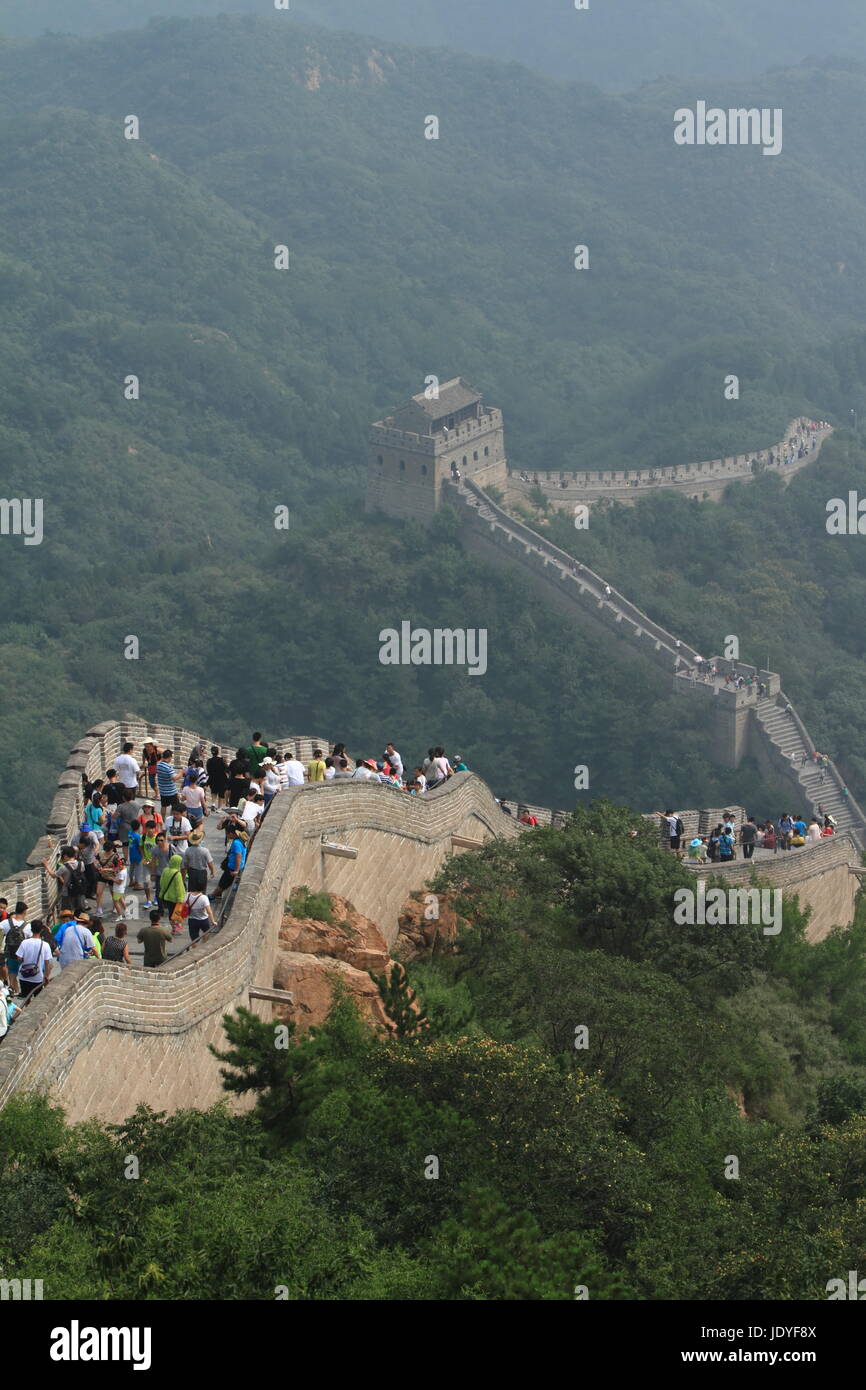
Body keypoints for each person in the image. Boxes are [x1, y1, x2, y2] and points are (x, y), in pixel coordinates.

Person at [16, 921, 53, 1000]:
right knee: (38, 999)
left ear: (31, 929)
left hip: (24, 975)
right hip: (37, 977)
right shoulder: (45, 945)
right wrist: (46, 976)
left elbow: (19, 957)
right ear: (41, 930)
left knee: (25, 998)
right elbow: (47, 964)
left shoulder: (24, 942)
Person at [3, 903, 31, 997]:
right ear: (24, 912)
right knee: (23, 972)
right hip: (22, 954)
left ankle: (11, 989)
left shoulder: (7, 923)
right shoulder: (27, 926)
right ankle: (24, 992)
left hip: (10, 952)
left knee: (12, 971)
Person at [158, 854, 186, 931]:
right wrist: (181, 898)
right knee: (177, 914)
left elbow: (161, 883)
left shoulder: (165, 870)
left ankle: (173, 928)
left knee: (171, 913)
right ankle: (177, 927)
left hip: (167, 897)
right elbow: (179, 887)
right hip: (176, 898)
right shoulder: (177, 874)